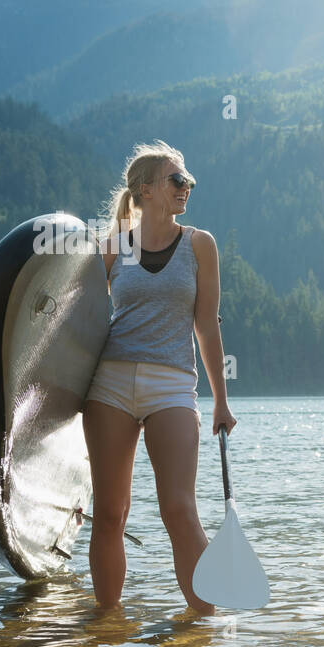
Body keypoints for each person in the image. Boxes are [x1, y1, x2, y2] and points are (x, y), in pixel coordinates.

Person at [83, 140, 236, 614]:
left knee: (178, 510)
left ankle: (204, 629)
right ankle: (108, 629)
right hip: (108, 385)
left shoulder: (200, 245)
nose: (185, 187)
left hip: (172, 384)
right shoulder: (112, 249)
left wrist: (220, 401)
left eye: (187, 180)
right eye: (176, 179)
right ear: (145, 190)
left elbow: (206, 324)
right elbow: (75, 317)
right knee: (110, 515)